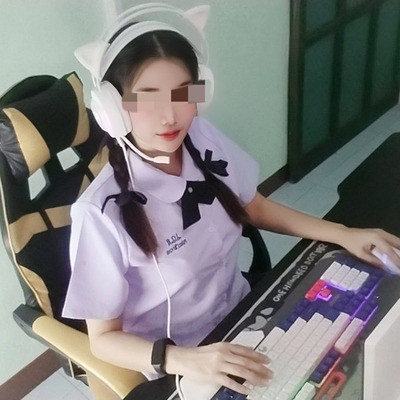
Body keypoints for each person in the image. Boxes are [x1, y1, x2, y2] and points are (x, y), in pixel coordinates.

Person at [62, 4, 400, 396]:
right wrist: (186, 360)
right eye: (147, 98)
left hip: (243, 318)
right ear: (113, 107)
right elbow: (103, 339)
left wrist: (343, 233)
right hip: (180, 360)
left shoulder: (201, 138)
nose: (170, 116)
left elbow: (253, 206)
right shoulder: (99, 213)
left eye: (182, 93)